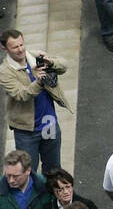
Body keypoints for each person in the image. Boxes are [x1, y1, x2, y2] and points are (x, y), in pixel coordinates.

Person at [0, 31, 70, 177]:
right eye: (15, 47)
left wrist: (51, 62)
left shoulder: (34, 56)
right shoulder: (5, 72)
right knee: (28, 172)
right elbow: (22, 94)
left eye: (21, 44)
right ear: (5, 48)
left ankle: (52, 198)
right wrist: (38, 81)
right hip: (26, 131)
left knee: (54, 169)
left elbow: (64, 65)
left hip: (48, 122)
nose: (20, 49)